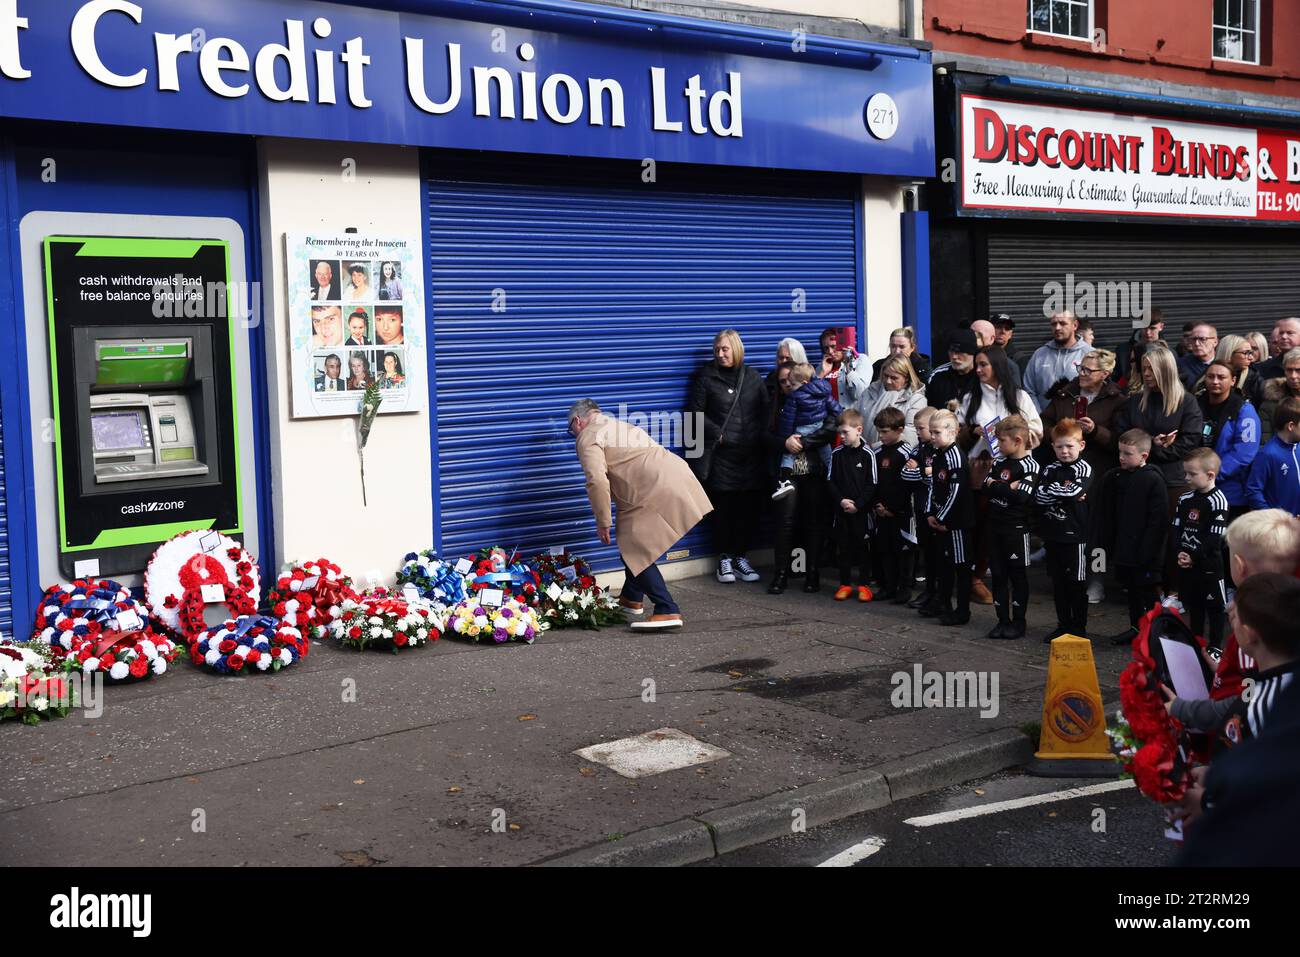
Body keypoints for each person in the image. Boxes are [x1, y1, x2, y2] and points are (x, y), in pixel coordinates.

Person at [1175, 573, 1300, 867]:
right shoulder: (1280, 688)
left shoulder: (1262, 704)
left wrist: (1207, 801)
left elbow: (1264, 784)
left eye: (1233, 619)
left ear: (1248, 634)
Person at [569, 398, 712, 629]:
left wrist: (603, 521)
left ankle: (667, 608)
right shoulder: (619, 425)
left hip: (650, 489)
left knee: (633, 546)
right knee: (635, 543)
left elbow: (597, 480)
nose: (573, 435)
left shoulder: (588, 435)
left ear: (578, 421)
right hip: (676, 474)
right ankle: (631, 598)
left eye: (571, 430)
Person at [959, 345, 1042, 607]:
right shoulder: (970, 397)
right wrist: (973, 431)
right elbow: (956, 431)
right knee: (978, 524)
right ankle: (972, 578)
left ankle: (991, 576)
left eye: (984, 364)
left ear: (997, 365)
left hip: (1014, 469)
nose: (979, 369)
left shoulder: (1018, 397)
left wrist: (1016, 443)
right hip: (978, 467)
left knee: (1002, 525)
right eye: (978, 364)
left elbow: (1037, 432)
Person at [687, 329, 768, 585]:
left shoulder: (753, 377)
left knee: (747, 511)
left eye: (725, 349)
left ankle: (741, 558)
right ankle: (724, 560)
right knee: (723, 511)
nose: (720, 354)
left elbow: (766, 411)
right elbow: (694, 413)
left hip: (750, 458)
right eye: (717, 350)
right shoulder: (706, 377)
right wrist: (717, 435)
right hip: (721, 457)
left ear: (736, 349)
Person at [1093, 430, 1169, 645]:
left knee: (1148, 592)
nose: (1121, 457)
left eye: (1127, 453)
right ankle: (1136, 627)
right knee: (1133, 593)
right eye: (1120, 452)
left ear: (1144, 456)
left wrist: (1148, 552)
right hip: (1124, 548)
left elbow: (1158, 520)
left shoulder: (1153, 479)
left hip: (1146, 552)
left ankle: (1157, 632)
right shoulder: (1116, 476)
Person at [1113, 345, 1205, 525]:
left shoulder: (1186, 402)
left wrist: (1151, 449)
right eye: (1144, 368)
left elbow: (1190, 441)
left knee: (1169, 538)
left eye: (1151, 369)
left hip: (1172, 480)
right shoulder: (1135, 401)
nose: (1146, 373)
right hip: (1136, 477)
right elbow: (1122, 433)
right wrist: (1150, 443)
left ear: (1166, 370)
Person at [765, 366, 837, 595]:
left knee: (814, 522)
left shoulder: (816, 397)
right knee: (784, 522)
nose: (786, 385)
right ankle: (781, 574)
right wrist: (784, 443)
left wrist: (805, 441)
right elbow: (762, 434)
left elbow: (832, 425)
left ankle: (812, 573)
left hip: (814, 468)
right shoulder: (775, 405)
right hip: (787, 471)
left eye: (790, 381)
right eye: (782, 381)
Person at [982, 415, 1040, 640]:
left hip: (1016, 529)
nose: (997, 445)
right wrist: (1004, 486)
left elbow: (1021, 497)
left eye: (1001, 440)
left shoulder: (1031, 465)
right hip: (994, 526)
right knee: (997, 575)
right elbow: (984, 486)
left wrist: (996, 485)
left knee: (1017, 576)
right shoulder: (998, 462)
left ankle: (1018, 621)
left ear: (1017, 440)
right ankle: (1002, 620)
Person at [1034, 418, 1093, 641]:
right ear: (1053, 447)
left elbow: (1074, 491)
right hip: (1053, 534)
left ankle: (1078, 629)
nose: (1065, 451)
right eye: (1060, 446)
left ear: (1081, 445)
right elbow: (1038, 496)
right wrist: (1065, 494)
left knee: (1076, 584)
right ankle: (1063, 625)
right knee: (1058, 584)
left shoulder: (1084, 468)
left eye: (1069, 446)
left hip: (1075, 536)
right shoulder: (1050, 468)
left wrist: (1058, 492)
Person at [1170, 447, 1230, 649]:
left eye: (1192, 474)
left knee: (1215, 608)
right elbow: (1176, 529)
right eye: (1185, 472)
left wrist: (1193, 556)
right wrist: (1179, 552)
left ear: (1210, 475)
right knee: (1194, 606)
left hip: (1209, 566)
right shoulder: (1185, 499)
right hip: (1187, 563)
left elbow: (1215, 537)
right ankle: (1195, 642)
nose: (1186, 478)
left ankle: (1215, 647)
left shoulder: (1218, 501)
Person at [919, 410, 973, 627]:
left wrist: (941, 517)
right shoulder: (938, 453)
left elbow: (956, 492)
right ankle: (943, 603)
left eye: (937, 432)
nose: (932, 437)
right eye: (931, 432)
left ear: (953, 433)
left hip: (957, 523)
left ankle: (962, 610)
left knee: (961, 566)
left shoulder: (955, 456)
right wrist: (930, 512)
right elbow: (934, 485)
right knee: (944, 564)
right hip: (941, 520)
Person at [1040, 348, 1124, 480]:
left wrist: (1095, 430)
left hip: (1097, 470)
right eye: (1080, 368)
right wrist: (1062, 432)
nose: (1082, 373)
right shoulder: (1064, 393)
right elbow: (1043, 424)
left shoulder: (1117, 400)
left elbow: (1118, 440)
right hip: (1060, 468)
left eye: (1088, 370)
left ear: (1104, 374)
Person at [1197, 361, 1260, 519]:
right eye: (1210, 376)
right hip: (1197, 486)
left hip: (1231, 493)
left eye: (1221, 377)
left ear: (1233, 381)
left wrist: (1212, 475)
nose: (1215, 381)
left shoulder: (1245, 411)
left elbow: (1244, 453)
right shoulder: (1195, 405)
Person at [772, 362, 841, 500]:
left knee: (788, 454)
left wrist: (786, 438)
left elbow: (788, 418)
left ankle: (784, 481)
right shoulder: (823, 391)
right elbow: (836, 408)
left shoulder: (794, 396)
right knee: (827, 455)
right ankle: (835, 477)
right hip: (820, 426)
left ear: (803, 382)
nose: (790, 387)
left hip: (803, 429)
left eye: (793, 384)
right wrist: (842, 416)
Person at [828, 410, 877, 602]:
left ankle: (864, 585)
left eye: (845, 432)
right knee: (844, 547)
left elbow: (872, 483)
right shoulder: (836, 453)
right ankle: (845, 584)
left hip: (861, 512)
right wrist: (841, 500)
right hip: (841, 510)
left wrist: (859, 504)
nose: (841, 436)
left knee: (863, 548)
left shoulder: (868, 454)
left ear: (859, 430)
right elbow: (830, 481)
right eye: (839, 432)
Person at [871, 406, 917, 604]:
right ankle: (888, 586)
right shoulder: (877, 452)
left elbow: (906, 486)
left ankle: (904, 588)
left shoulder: (906, 453)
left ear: (899, 429)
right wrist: (877, 505)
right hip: (880, 510)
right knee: (884, 549)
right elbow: (872, 481)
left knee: (903, 551)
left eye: (885, 432)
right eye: (879, 431)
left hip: (901, 512)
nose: (881, 436)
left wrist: (893, 508)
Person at [903, 407, 939, 610]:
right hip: (920, 504)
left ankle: (937, 594)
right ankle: (929, 591)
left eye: (921, 429)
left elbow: (937, 475)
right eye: (916, 429)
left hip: (935, 507)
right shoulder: (917, 448)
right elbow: (905, 474)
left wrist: (921, 472)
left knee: (937, 553)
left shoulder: (939, 449)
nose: (918, 433)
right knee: (925, 549)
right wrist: (923, 472)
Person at [1023, 310, 1091, 410]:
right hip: (1044, 422)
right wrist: (1040, 417)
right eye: (1054, 324)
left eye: (1062, 323)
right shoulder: (1039, 355)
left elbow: (1096, 391)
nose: (1057, 328)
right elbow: (1029, 391)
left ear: (1075, 325)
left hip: (1076, 423)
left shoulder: (1089, 354)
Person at [1245, 397, 1300, 515]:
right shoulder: (1267, 454)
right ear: (1291, 426)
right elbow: (1253, 490)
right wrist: (1271, 517)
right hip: (1281, 527)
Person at [856, 355, 926, 447]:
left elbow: (910, 436)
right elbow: (855, 421)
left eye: (894, 378)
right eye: (885, 376)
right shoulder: (869, 391)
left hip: (894, 457)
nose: (888, 381)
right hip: (864, 454)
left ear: (906, 378)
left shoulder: (916, 400)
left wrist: (875, 449)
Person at [925, 328, 979, 410]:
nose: (954, 357)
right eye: (951, 351)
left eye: (959, 352)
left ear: (972, 352)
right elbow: (927, 411)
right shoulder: (938, 376)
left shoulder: (983, 375)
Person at [1257, 346, 1300, 445]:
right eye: (1289, 370)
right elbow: (1264, 442)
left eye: (1298, 370)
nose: (1293, 376)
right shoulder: (1270, 403)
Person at [1113, 306, 1165, 386]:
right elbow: (1114, 379)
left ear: (1161, 327)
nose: (1148, 332)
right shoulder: (1123, 351)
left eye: (1152, 328)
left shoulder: (1168, 353)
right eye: (1144, 328)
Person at [1215, 334, 1260, 405]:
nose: (1251, 358)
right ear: (1229, 353)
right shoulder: (1205, 377)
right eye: (1246, 353)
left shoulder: (1256, 381)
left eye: (1250, 353)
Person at [1177, 322, 1218, 390]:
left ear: (1215, 342)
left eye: (1202, 339)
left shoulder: (1224, 363)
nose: (1197, 343)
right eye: (1193, 339)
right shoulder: (1179, 365)